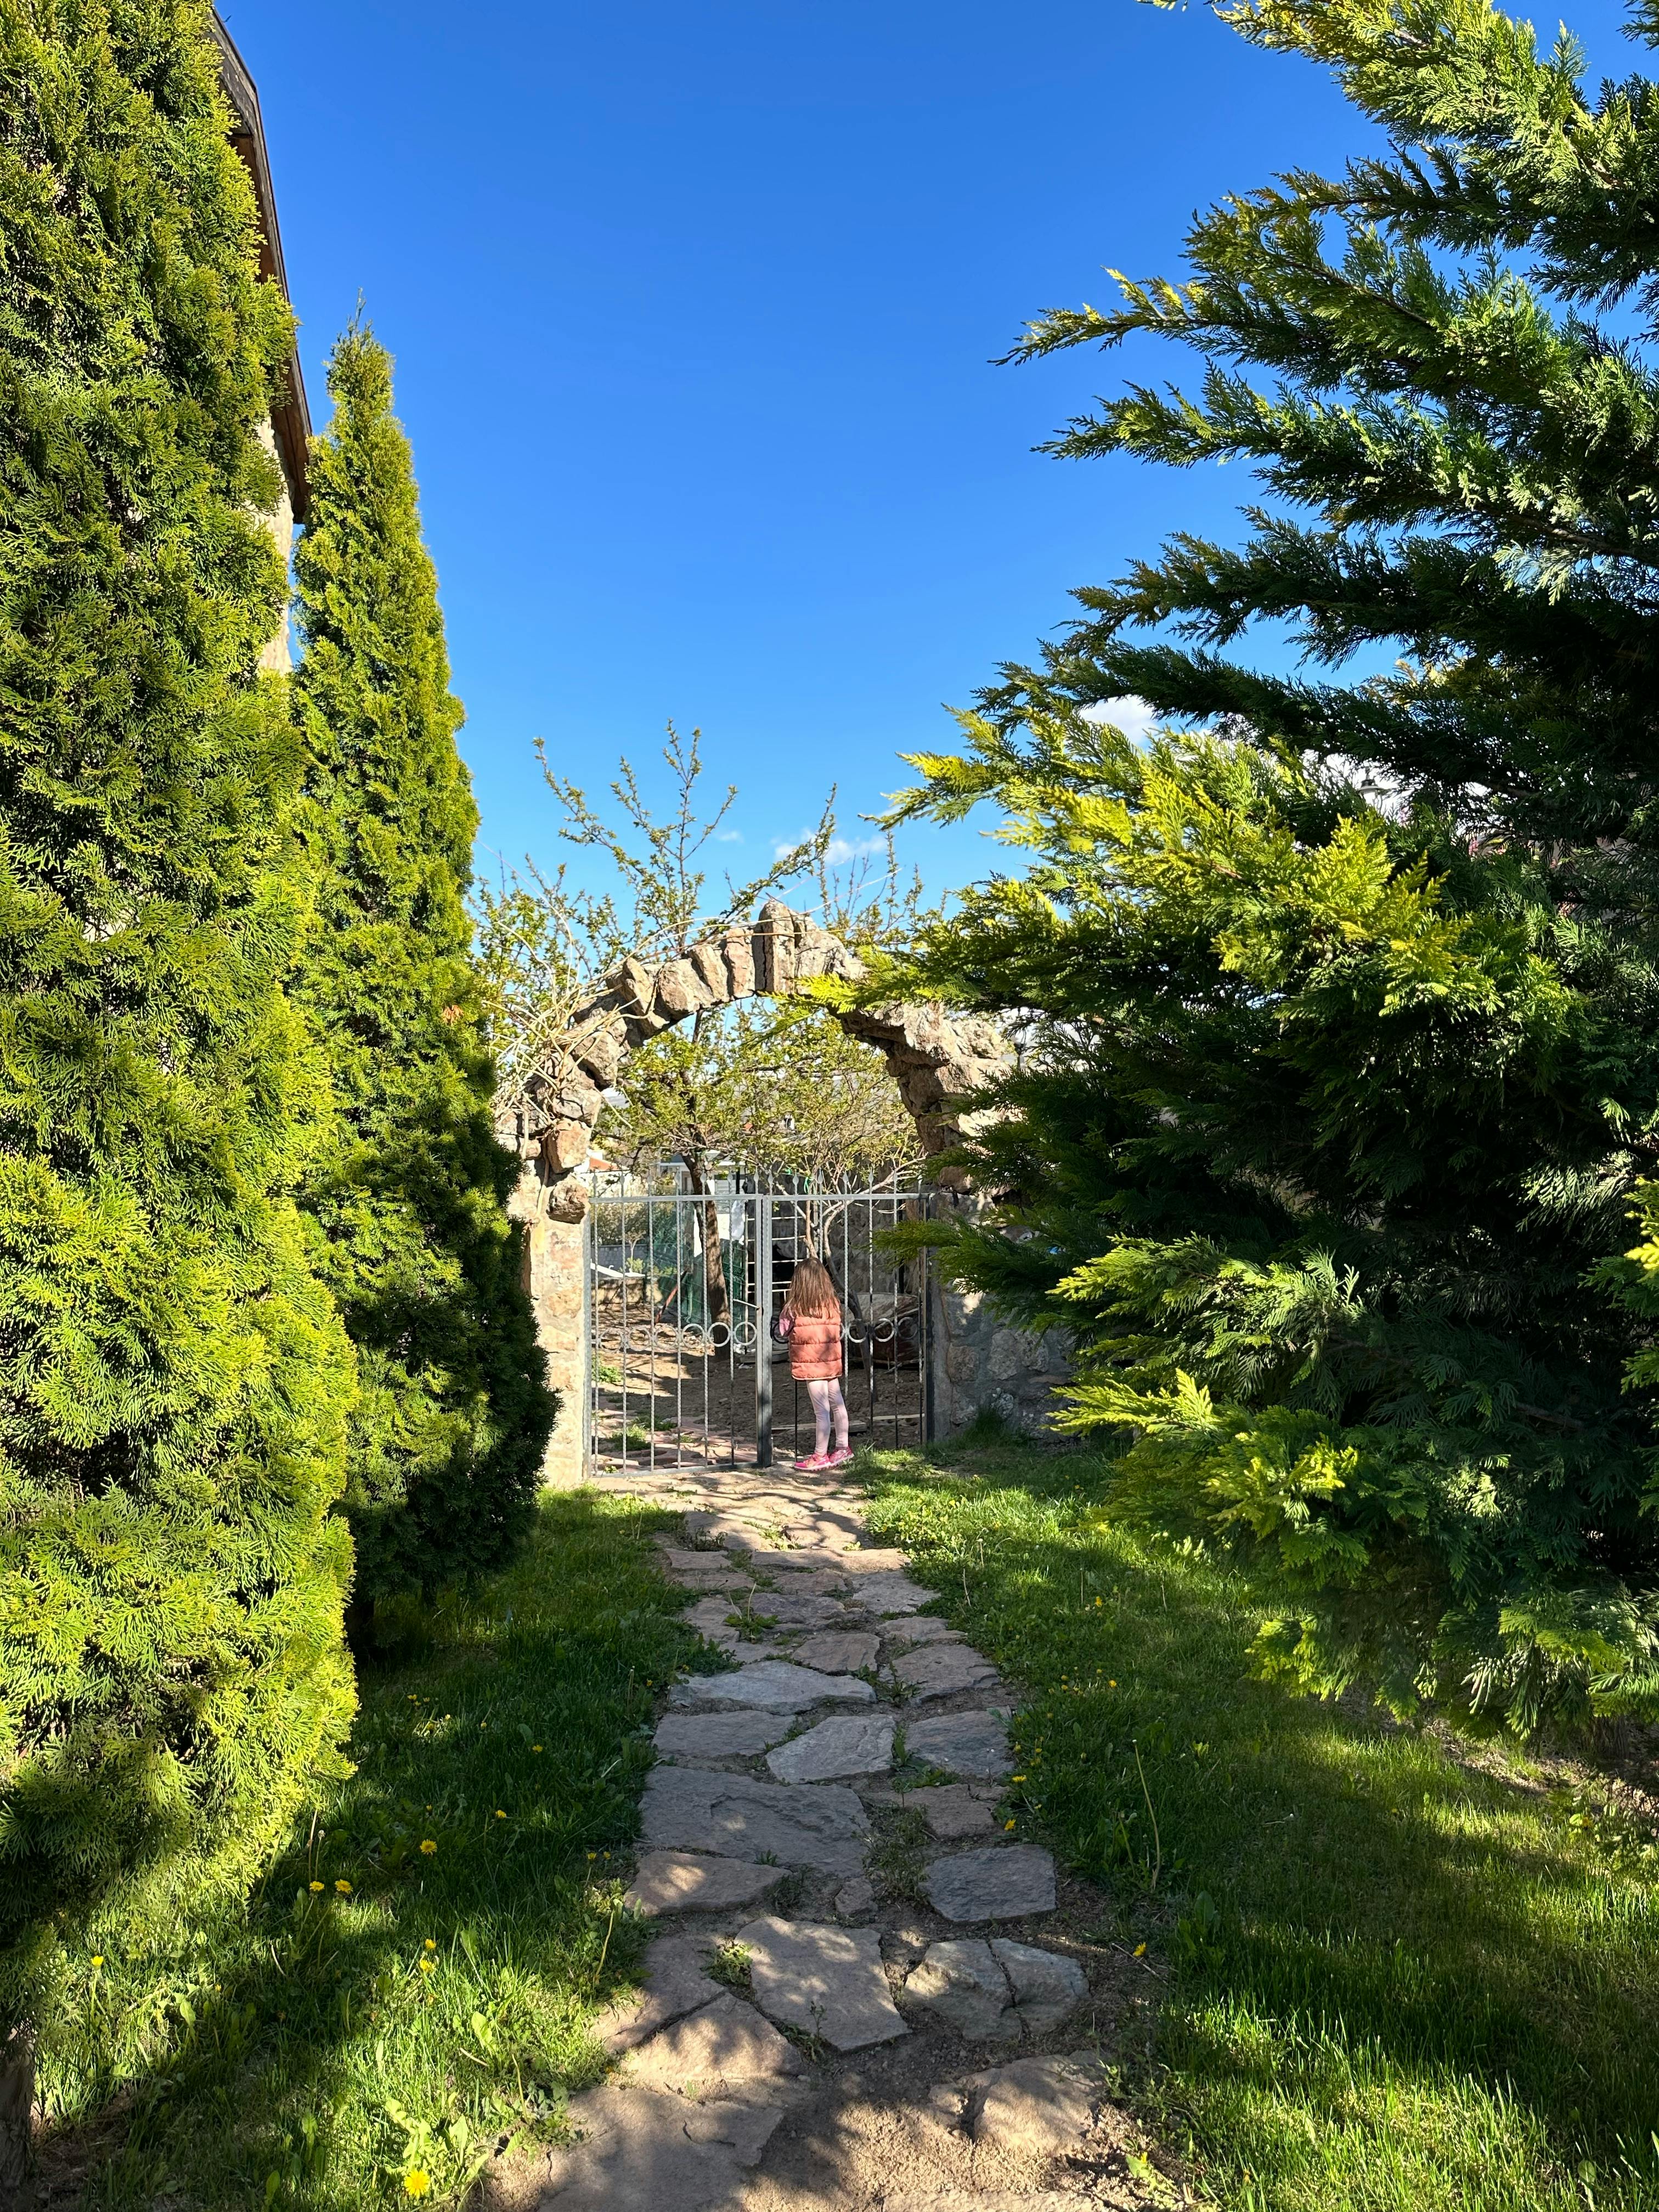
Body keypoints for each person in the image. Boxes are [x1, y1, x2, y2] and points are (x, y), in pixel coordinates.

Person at [776, 1257, 852, 1471]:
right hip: (830, 1363)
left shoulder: (795, 1308)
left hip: (811, 1365)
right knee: (837, 1404)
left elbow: (782, 1331)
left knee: (821, 1411)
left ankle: (820, 1456)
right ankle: (842, 1448)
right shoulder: (832, 1304)